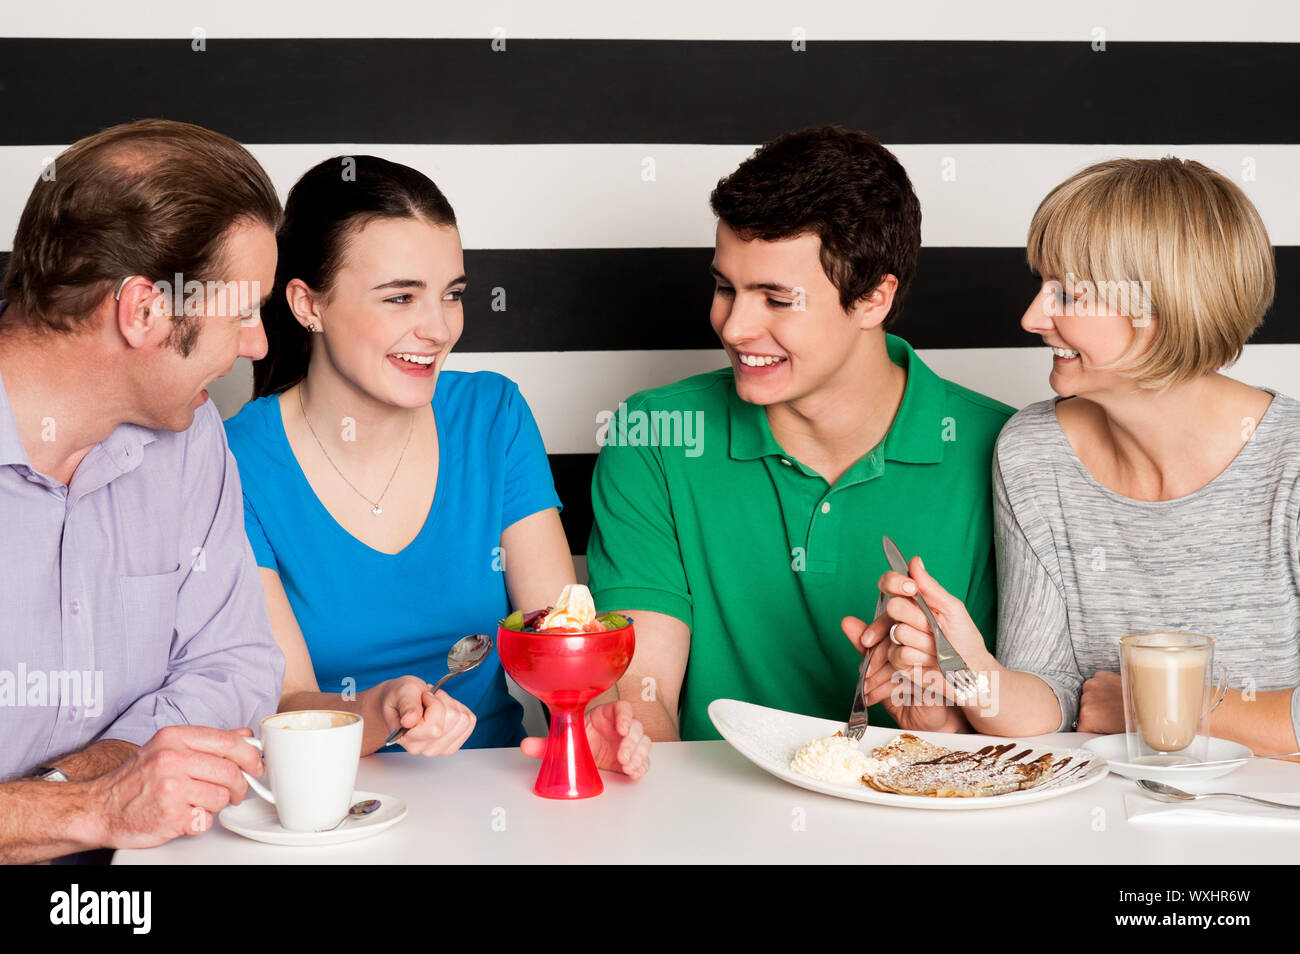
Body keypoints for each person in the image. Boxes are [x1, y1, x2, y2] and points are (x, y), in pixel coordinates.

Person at [585, 125, 1014, 742]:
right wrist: (626, 741)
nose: (734, 327)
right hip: (710, 818)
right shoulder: (652, 434)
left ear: (872, 299)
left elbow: (1022, 710)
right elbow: (641, 683)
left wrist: (943, 715)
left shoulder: (1005, 452)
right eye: (725, 288)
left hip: (924, 810)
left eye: (775, 299)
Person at [223, 156, 649, 777]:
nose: (440, 328)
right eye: (401, 297)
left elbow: (560, 633)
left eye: (452, 295)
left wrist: (589, 724)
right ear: (307, 304)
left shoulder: (491, 414)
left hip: (490, 793)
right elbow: (286, 706)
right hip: (332, 801)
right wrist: (382, 709)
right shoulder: (235, 460)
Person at [866, 157, 1300, 759]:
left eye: (1067, 293)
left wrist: (1154, 705)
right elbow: (1053, 695)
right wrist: (971, 673)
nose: (1032, 317)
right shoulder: (1032, 452)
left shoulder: (1292, 463)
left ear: (1161, 308)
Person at [0, 119, 286, 863]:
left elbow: (234, 670)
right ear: (144, 310)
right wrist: (88, 807)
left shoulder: (191, 438)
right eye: (244, 311)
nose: (257, 345)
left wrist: (77, 786)